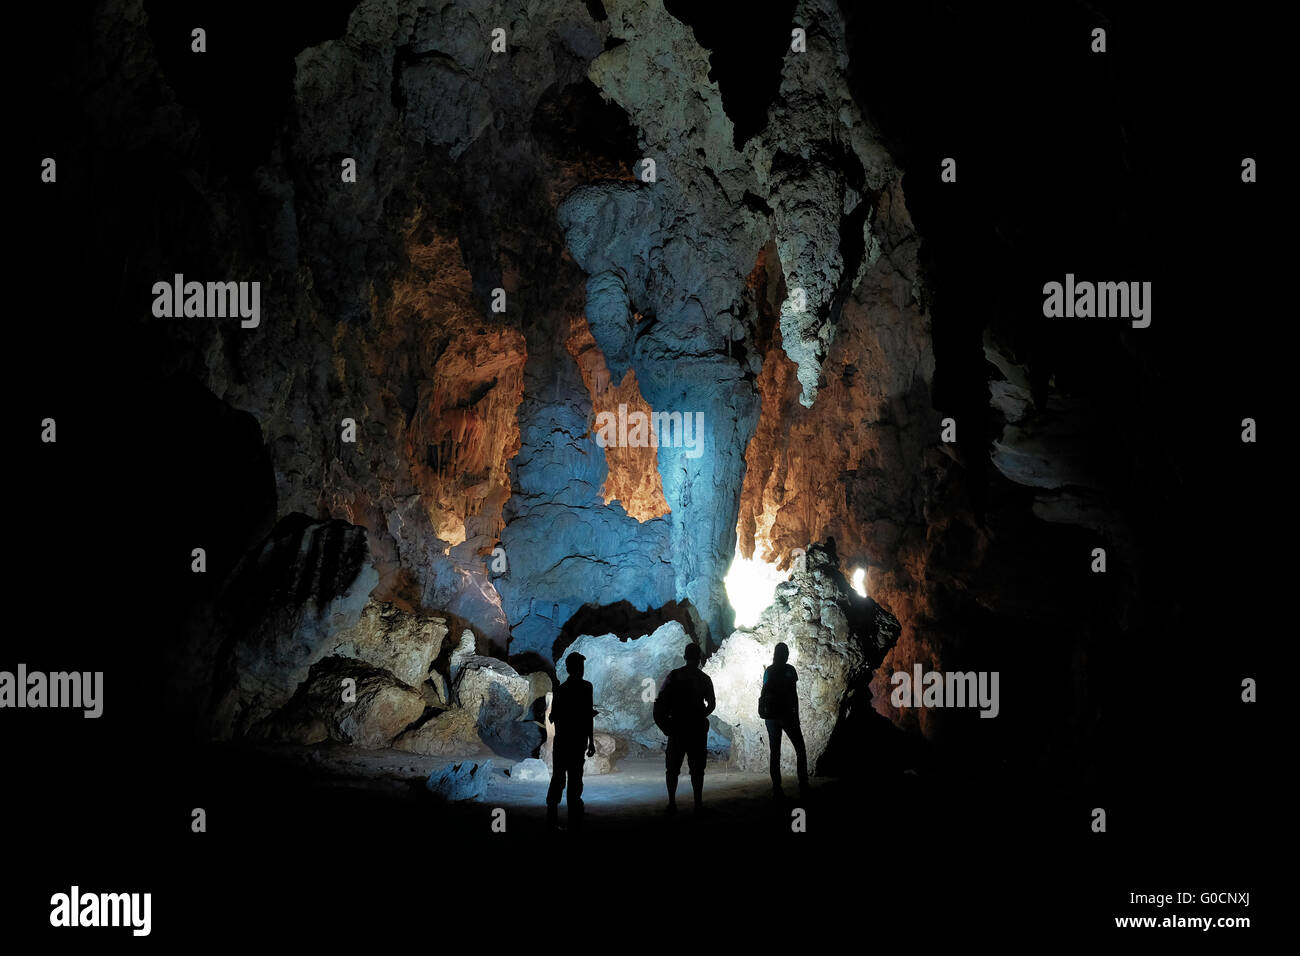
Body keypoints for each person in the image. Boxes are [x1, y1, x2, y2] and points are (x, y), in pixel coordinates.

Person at [654, 643, 715, 814]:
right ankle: (697, 803)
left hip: (677, 728)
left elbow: (660, 702)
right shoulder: (704, 679)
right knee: (697, 770)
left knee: (672, 769)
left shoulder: (674, 676)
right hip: (696, 729)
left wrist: (666, 725)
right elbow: (712, 703)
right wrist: (702, 714)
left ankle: (672, 803)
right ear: (699, 658)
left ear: (685, 657)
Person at [546, 652, 596, 830]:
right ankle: (574, 817)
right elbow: (588, 716)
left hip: (563, 741)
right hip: (577, 741)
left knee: (559, 778)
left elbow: (553, 717)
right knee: (575, 778)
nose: (581, 670)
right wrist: (591, 742)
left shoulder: (561, 690)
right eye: (579, 667)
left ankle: (552, 814)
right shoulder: (586, 687)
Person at [761, 642, 809, 801]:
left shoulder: (769, 671)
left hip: (771, 717)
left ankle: (777, 789)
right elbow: (793, 695)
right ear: (786, 655)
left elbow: (765, 690)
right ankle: (803, 785)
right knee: (800, 750)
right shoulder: (789, 670)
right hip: (787, 715)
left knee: (775, 753)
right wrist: (796, 715)